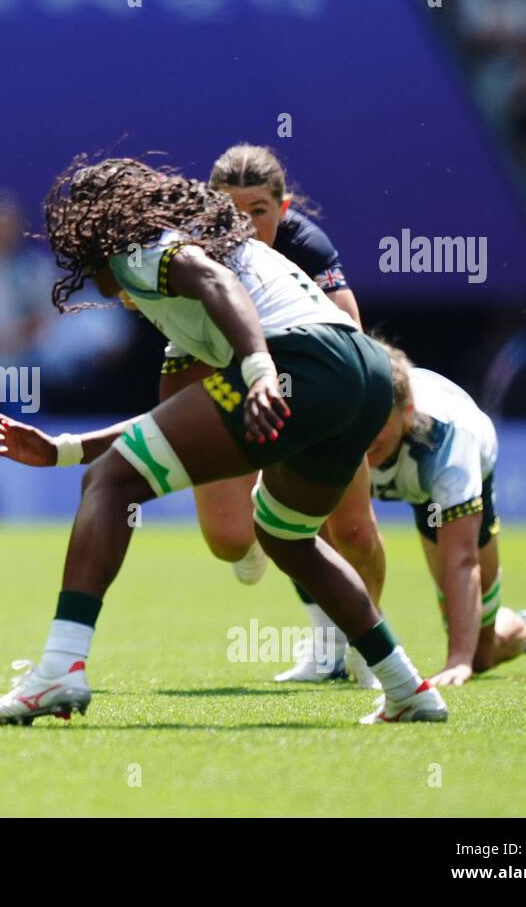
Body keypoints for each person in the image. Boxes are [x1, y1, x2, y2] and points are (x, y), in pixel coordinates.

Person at [0, 156, 446, 725]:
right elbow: (164, 423)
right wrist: (65, 449)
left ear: (98, 233)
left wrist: (262, 369)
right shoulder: (186, 297)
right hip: (361, 376)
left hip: (302, 363)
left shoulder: (143, 248)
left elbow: (218, 284)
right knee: (285, 537)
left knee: (110, 482)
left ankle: (59, 670)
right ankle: (406, 687)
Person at [158, 144, 382, 685]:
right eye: (231, 210)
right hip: (227, 374)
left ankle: (360, 649)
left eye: (258, 210)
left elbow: (349, 328)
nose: (245, 224)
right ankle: (268, 547)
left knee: (349, 528)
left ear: (283, 209)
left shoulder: (308, 246)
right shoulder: (190, 249)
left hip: (318, 383)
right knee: (231, 538)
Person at [366, 343, 526, 684]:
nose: (365, 433)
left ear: (406, 411)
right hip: (414, 472)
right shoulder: (343, 425)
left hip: (455, 478)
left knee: (481, 653)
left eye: (378, 419)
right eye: (361, 417)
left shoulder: (449, 443)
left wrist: (458, 661)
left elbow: (462, 560)